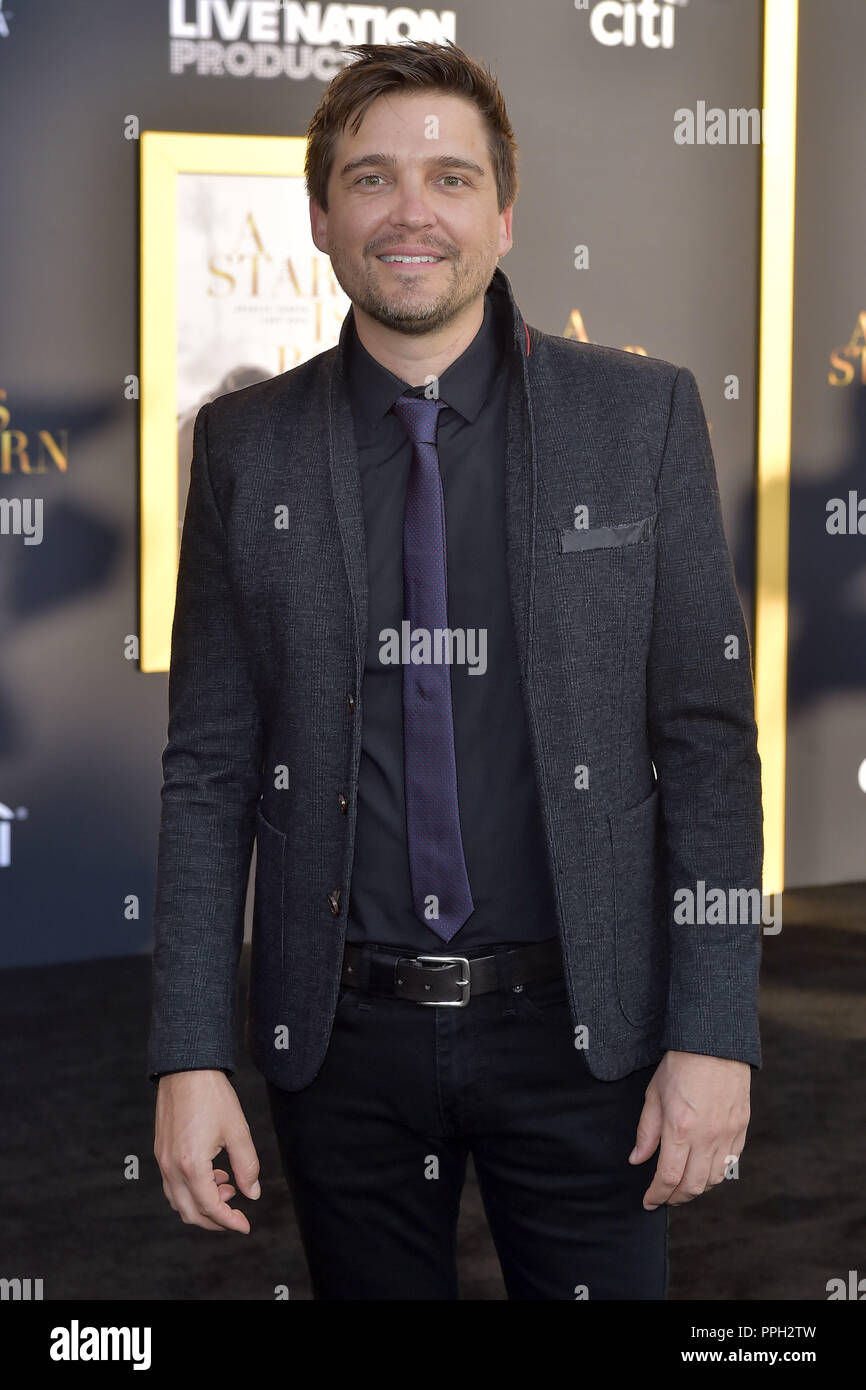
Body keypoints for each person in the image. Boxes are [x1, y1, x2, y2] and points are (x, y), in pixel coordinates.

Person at [149, 39, 763, 1301]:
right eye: (371, 180)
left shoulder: (635, 418)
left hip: (584, 1033)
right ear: (321, 216)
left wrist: (713, 1032)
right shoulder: (242, 448)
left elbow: (704, 741)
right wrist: (189, 1051)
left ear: (504, 209)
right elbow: (208, 771)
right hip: (341, 1040)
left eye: (449, 176)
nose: (411, 210)